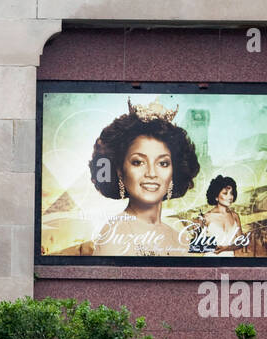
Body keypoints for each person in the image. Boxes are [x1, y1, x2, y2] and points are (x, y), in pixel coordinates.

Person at [77, 98, 201, 256]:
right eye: (138, 162)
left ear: (174, 172)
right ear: (120, 171)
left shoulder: (178, 239)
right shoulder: (115, 233)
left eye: (163, 163)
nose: (151, 173)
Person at [192, 175, 246, 256]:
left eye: (231, 193)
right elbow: (196, 247)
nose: (230, 197)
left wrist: (226, 248)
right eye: (225, 193)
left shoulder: (235, 216)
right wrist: (196, 230)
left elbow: (240, 242)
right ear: (216, 197)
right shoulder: (206, 217)